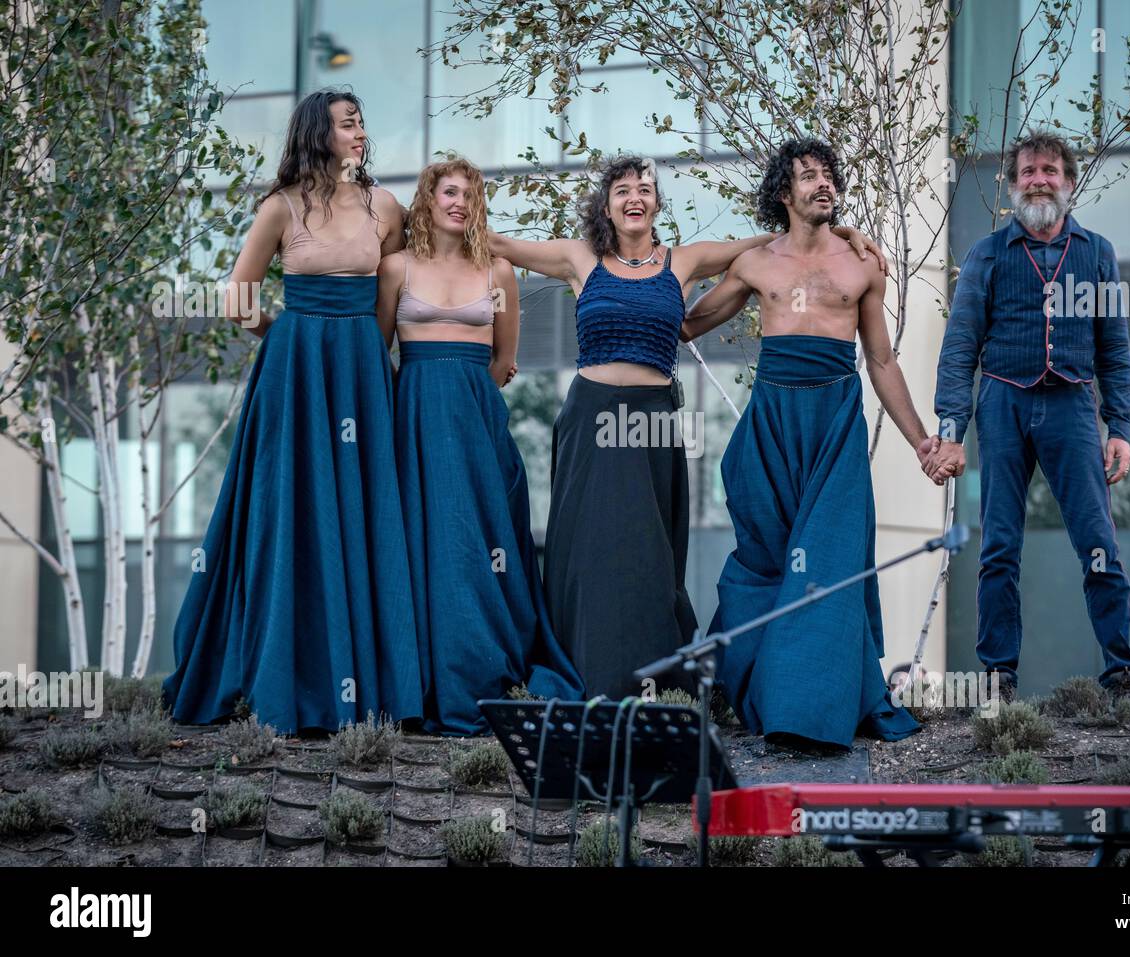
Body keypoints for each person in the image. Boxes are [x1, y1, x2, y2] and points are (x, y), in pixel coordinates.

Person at [487, 154, 885, 699]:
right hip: (590, 418)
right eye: (623, 189)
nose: (635, 197)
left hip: (653, 421)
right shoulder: (579, 257)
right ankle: (585, 675)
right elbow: (498, 245)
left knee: (650, 554)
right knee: (588, 549)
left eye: (645, 190)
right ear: (606, 204)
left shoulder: (683, 260)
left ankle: (649, 685)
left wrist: (840, 229)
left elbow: (775, 242)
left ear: (656, 205)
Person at [163, 90, 424, 735]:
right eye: (346, 123)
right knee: (292, 511)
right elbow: (239, 300)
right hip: (297, 373)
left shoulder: (386, 207)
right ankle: (278, 675)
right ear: (318, 133)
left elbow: (410, 279)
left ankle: (371, 683)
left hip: (362, 369)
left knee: (362, 513)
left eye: (362, 121)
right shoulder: (279, 208)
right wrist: (293, 341)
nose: (360, 131)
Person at [681, 137, 932, 751]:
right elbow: (686, 323)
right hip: (772, 424)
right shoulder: (755, 264)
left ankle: (805, 709)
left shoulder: (861, 264)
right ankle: (747, 676)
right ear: (784, 193)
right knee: (769, 560)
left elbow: (880, 358)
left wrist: (923, 442)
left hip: (835, 421)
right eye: (809, 176)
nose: (824, 184)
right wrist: (623, 295)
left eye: (829, 176)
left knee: (828, 562)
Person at [928, 129, 1130, 718]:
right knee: (999, 545)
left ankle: (1122, 674)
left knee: (1098, 543)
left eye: (1050, 170)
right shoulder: (987, 253)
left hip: (1074, 407)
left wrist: (1120, 426)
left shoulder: (1097, 252)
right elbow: (960, 346)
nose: (1039, 179)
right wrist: (951, 424)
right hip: (1002, 403)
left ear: (1068, 182)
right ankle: (998, 678)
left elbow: (1116, 347)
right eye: (1028, 171)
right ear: (1013, 185)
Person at [376, 156, 584, 734]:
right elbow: (377, 351)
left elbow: (504, 360)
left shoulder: (497, 273)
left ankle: (483, 668)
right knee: (424, 542)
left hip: (476, 422)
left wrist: (461, 398)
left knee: (481, 542)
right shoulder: (394, 268)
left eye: (469, 194)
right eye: (448, 191)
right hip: (412, 419)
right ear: (428, 199)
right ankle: (418, 679)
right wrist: (428, 398)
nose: (459, 202)